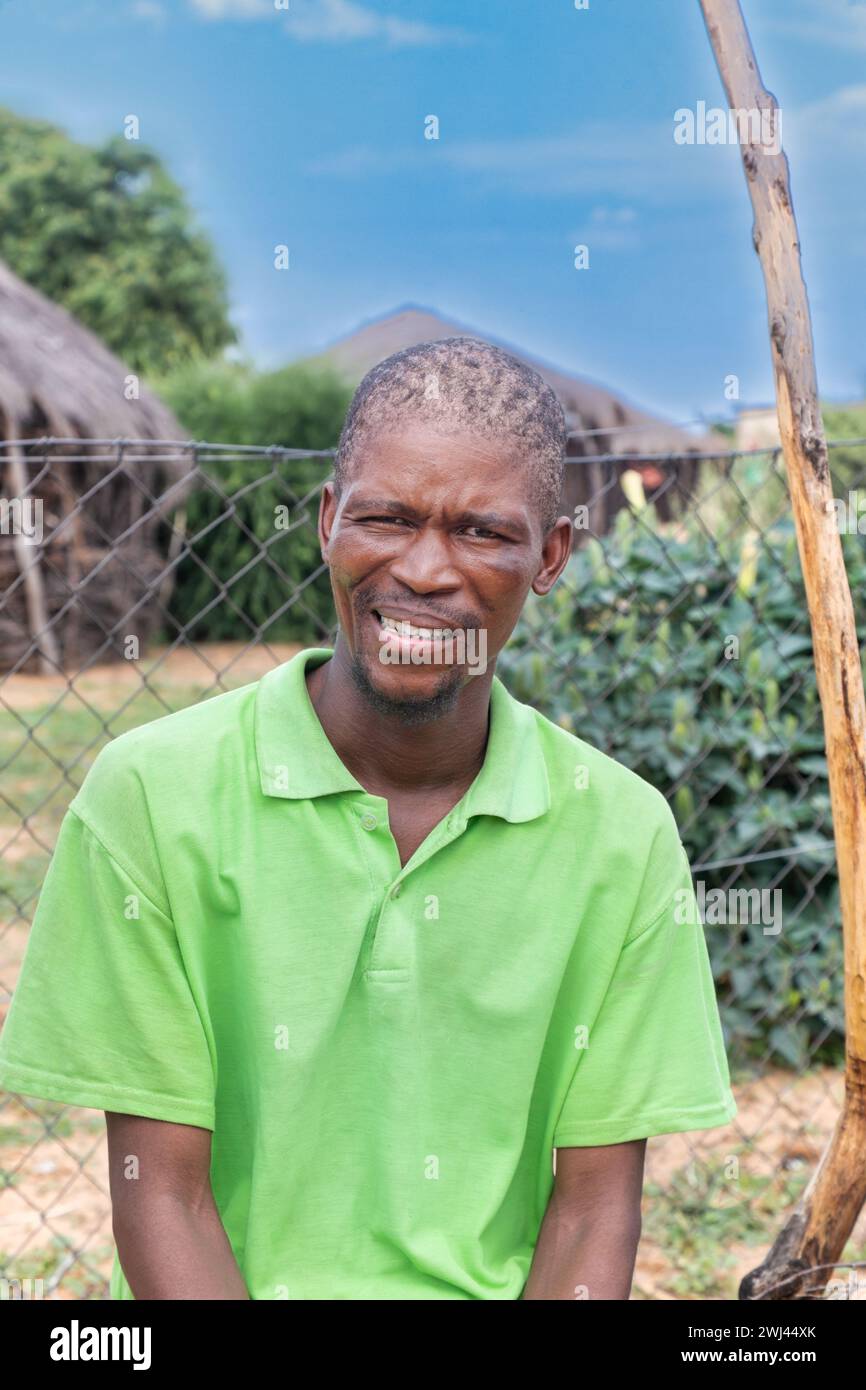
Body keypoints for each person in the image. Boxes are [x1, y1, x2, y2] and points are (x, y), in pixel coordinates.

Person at [0, 337, 736, 1300]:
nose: (425, 571)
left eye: (481, 532)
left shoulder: (620, 835)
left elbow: (593, 1209)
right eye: (385, 518)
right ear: (327, 523)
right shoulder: (151, 799)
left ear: (551, 554)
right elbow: (162, 1196)